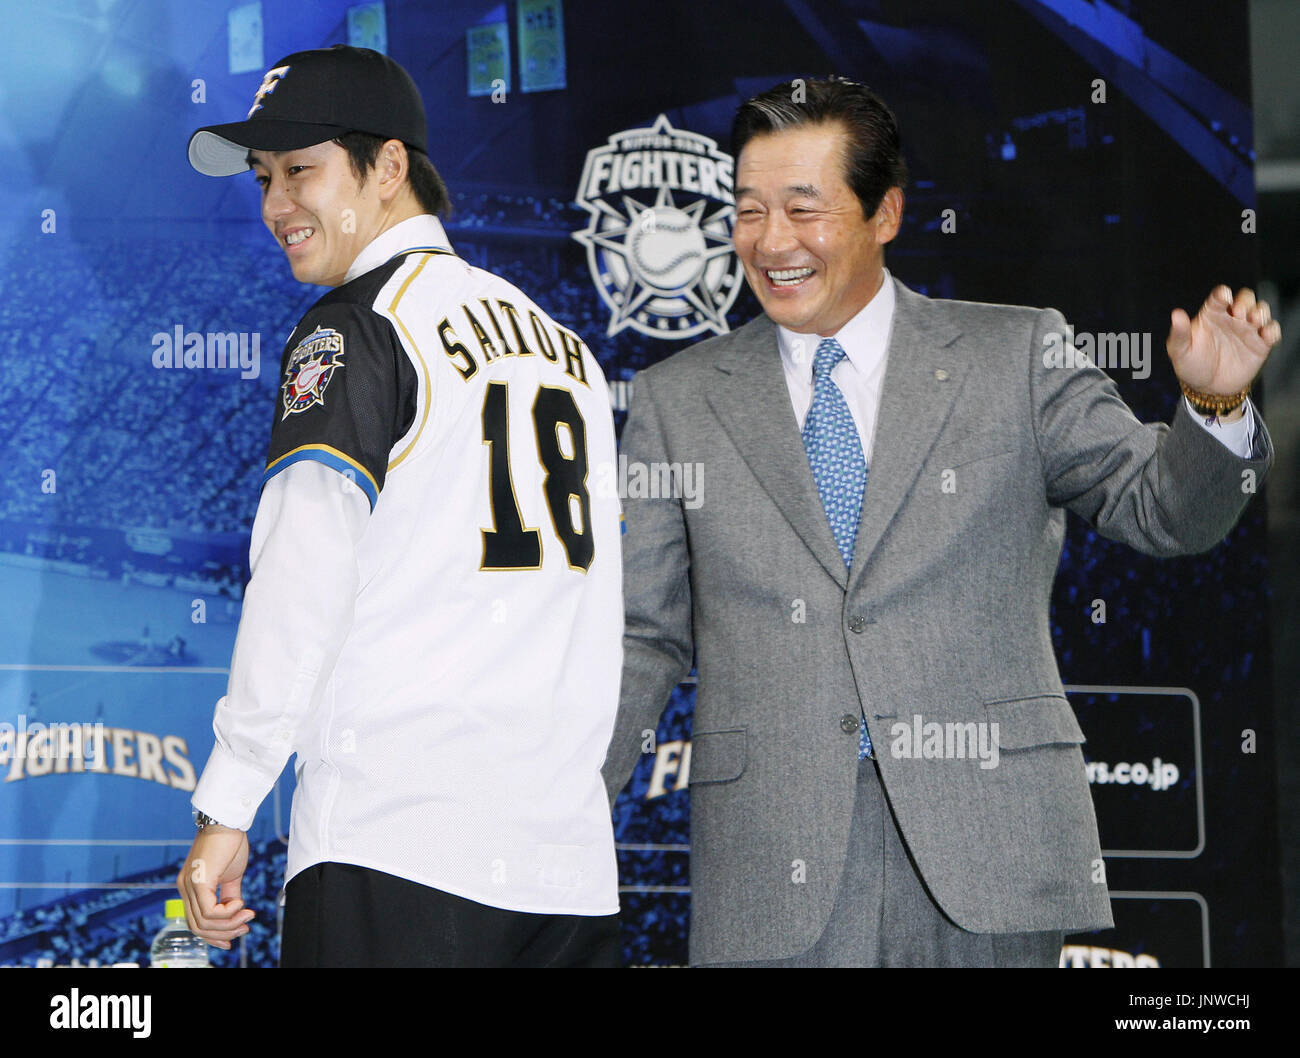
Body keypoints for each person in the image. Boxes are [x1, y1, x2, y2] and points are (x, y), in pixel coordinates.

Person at [601, 77, 1279, 967]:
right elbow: (642, 636)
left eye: (804, 210)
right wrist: (557, 804)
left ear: (886, 212)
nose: (771, 242)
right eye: (748, 209)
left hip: (990, 848)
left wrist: (1214, 404)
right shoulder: (675, 400)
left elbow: (1162, 512)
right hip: (774, 862)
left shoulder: (1019, 354)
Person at [177, 45, 623, 967]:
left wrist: (228, 804)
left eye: (301, 170)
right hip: (565, 869)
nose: (274, 206)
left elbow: (300, 588)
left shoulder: (356, 326)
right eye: (263, 178)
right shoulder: (569, 351)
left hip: (395, 852)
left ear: (388, 167)